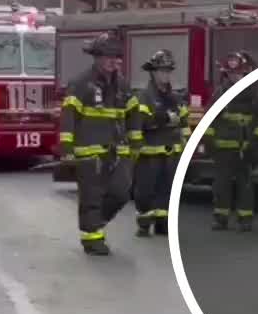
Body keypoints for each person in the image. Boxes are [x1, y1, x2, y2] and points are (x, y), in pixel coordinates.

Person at [60, 33, 139, 256]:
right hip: (89, 152)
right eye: (109, 57)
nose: (114, 61)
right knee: (91, 197)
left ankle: (97, 222)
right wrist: (66, 148)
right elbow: (69, 116)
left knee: (121, 193)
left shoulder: (122, 85)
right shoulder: (81, 83)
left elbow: (133, 114)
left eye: (118, 57)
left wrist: (136, 142)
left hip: (118, 151)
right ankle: (92, 238)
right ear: (97, 58)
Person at [205, 52, 258, 232]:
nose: (234, 77)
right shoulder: (220, 93)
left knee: (245, 185)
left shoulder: (254, 94)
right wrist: (209, 140)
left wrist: (255, 142)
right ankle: (220, 218)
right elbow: (210, 119)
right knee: (221, 185)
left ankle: (245, 219)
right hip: (223, 148)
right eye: (231, 74)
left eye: (238, 74)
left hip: (245, 148)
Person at [131, 50, 189, 238]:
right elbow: (139, 122)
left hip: (171, 153)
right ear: (153, 72)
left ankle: (163, 223)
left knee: (168, 190)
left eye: (168, 71)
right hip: (149, 154)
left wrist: (187, 145)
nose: (165, 74)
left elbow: (183, 121)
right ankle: (144, 223)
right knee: (145, 190)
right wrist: (162, 118)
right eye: (161, 71)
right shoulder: (143, 97)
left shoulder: (176, 97)